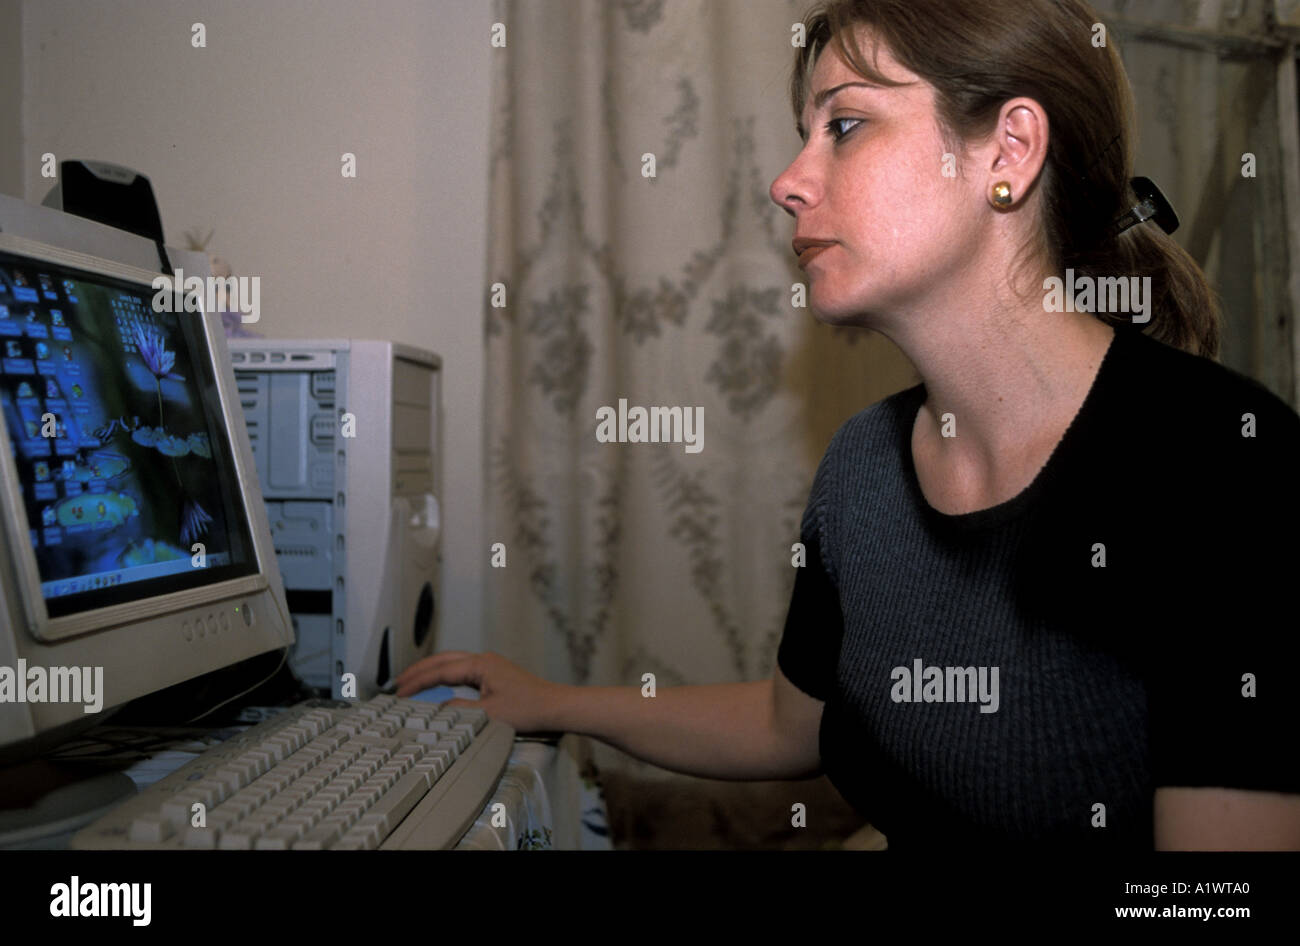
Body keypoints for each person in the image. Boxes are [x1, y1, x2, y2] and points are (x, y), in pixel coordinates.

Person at [398, 0, 1300, 849]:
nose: (788, 184)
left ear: (1008, 150)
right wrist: (553, 702)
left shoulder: (1221, 468)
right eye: (805, 136)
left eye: (846, 124)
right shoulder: (864, 467)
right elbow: (788, 722)